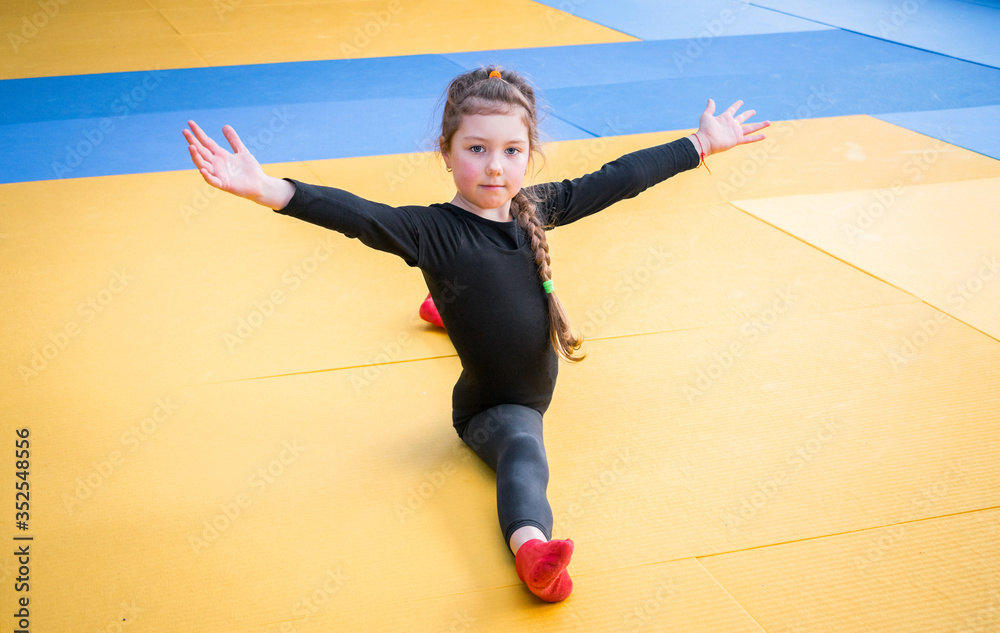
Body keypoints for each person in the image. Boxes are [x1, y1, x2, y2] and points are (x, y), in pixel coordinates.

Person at [183, 65, 768, 603]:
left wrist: (700, 144)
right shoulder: (431, 232)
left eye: (512, 151)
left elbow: (619, 178)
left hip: (508, 356)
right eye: (477, 149)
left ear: (529, 153)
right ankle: (532, 550)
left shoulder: (535, 207)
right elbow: (357, 214)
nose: (495, 167)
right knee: (523, 451)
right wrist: (266, 188)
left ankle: (444, 307)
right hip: (496, 405)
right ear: (445, 152)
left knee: (474, 299)